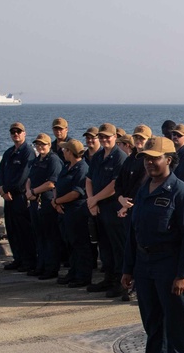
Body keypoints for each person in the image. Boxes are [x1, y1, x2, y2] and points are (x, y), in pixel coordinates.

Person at [121, 136, 184, 353]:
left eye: (155, 158)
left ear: (170, 160)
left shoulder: (181, 192)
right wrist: (128, 268)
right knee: (152, 321)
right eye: (146, 158)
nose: (150, 163)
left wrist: (183, 274)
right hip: (144, 264)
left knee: (177, 323)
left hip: (169, 264)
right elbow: (133, 231)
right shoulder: (144, 189)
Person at [85, 123, 128, 296]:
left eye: (107, 137)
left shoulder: (120, 157)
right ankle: (108, 278)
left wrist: (95, 199)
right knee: (104, 245)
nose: (104, 140)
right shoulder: (98, 156)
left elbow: (114, 185)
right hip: (98, 208)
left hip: (113, 207)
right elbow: (89, 179)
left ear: (115, 137)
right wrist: (91, 201)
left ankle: (121, 282)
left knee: (118, 246)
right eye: (101, 137)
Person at [52, 140, 93, 287]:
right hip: (65, 210)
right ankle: (74, 272)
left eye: (65, 150)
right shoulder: (67, 166)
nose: (63, 152)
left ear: (71, 152)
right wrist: (56, 201)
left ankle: (83, 276)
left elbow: (76, 193)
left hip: (77, 211)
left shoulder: (82, 168)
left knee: (80, 243)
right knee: (70, 243)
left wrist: (57, 201)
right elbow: (57, 184)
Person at [25, 133, 64, 280]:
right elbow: (29, 178)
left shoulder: (53, 160)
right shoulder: (36, 160)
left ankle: (51, 268)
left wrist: (34, 191)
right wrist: (29, 191)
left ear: (49, 145)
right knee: (39, 235)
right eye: (38, 144)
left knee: (50, 236)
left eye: (43, 144)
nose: (40, 147)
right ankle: (40, 265)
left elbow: (52, 183)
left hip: (47, 202)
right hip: (35, 202)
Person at [0, 122, 36, 271]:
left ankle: (29, 260)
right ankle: (18, 258)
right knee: (12, 230)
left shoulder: (28, 152)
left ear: (24, 133)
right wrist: (2, 189)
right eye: (13, 132)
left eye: (19, 132)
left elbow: (23, 176)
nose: (16, 134)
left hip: (20, 197)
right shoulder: (8, 153)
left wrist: (7, 188)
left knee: (24, 230)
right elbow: (1, 172)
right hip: (8, 197)